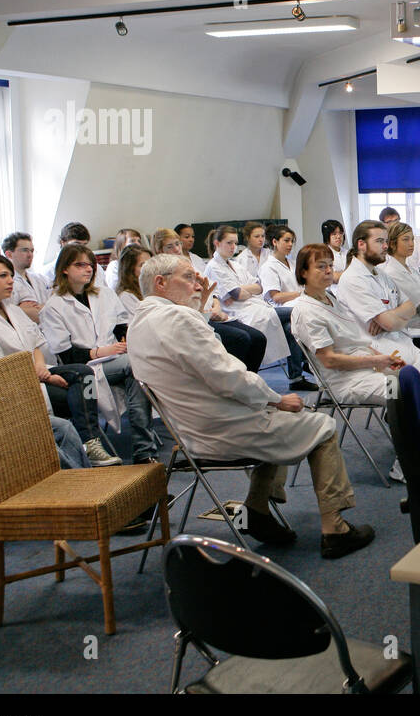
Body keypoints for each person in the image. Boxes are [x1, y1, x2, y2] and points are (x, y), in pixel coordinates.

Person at [129, 253, 374, 558]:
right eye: (189, 277)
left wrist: (199, 310)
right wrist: (276, 398)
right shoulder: (176, 319)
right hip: (222, 429)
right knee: (322, 426)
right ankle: (335, 529)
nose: (198, 283)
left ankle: (257, 509)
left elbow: (193, 355)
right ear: (160, 283)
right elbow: (227, 376)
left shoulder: (140, 322)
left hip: (192, 430)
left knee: (283, 421)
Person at [291, 243, 420, 484]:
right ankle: (407, 466)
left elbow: (356, 340)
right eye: (320, 267)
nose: (328, 271)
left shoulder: (331, 298)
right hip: (346, 381)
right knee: (409, 390)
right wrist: (377, 360)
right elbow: (330, 360)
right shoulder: (306, 311)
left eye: (331, 266)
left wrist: (383, 361)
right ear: (303, 272)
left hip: (368, 368)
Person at [0, 254, 110, 468]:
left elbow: (35, 343)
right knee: (80, 398)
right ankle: (88, 446)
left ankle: (91, 441)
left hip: (37, 372)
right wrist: (43, 376)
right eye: (2, 276)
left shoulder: (13, 310)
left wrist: (40, 368)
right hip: (10, 388)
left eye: (10, 275)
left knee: (85, 374)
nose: (11, 281)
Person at [334, 220, 420, 433]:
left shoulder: (379, 274)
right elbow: (403, 313)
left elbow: (409, 307)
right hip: (379, 353)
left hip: (400, 338)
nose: (385, 246)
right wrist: (397, 314)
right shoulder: (354, 279)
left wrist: (394, 315)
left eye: (386, 241)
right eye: (380, 241)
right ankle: (409, 426)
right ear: (361, 245)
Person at [38, 243, 161, 463]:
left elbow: (122, 325)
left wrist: (125, 339)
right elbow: (65, 355)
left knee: (138, 371)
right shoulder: (54, 306)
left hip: (114, 359)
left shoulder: (104, 295)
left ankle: (144, 451)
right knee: (134, 366)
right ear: (64, 269)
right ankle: (144, 446)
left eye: (90, 265)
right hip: (86, 367)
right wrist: (99, 352)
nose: (88, 269)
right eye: (80, 265)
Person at [155, 228, 267, 372]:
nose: (177, 249)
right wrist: (206, 311)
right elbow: (185, 302)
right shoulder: (165, 274)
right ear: (159, 250)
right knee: (241, 338)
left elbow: (212, 291)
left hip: (213, 313)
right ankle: (234, 383)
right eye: (170, 247)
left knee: (258, 338)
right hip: (198, 318)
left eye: (177, 244)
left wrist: (216, 307)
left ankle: (250, 381)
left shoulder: (188, 264)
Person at [203, 224, 291, 371]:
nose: (233, 247)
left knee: (290, 327)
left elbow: (259, 286)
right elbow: (238, 294)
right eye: (229, 243)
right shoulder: (214, 266)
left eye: (235, 243)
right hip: (239, 312)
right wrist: (241, 291)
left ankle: (297, 374)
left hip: (255, 306)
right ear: (217, 243)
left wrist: (241, 290)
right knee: (294, 312)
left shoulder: (234, 264)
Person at [257, 225, 316, 391]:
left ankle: (303, 368)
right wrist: (300, 293)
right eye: (286, 240)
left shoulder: (292, 262)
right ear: (275, 242)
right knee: (293, 326)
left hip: (296, 307)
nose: (290, 244)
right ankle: (300, 370)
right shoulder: (269, 267)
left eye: (292, 241)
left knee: (295, 326)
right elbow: (275, 297)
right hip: (278, 312)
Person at [37, 222, 108, 288]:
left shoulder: (96, 269)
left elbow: (105, 294)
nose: (81, 249)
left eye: (85, 245)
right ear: (63, 243)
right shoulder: (47, 272)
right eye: (77, 244)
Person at [2, 231, 49, 323]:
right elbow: (10, 314)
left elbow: (56, 303)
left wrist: (39, 308)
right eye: (25, 250)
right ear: (9, 254)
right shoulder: (7, 283)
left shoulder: (40, 278)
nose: (30, 255)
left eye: (32, 251)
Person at [379, 206, 420, 275]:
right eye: (389, 222)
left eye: (396, 220)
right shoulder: (380, 244)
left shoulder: (418, 241)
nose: (394, 224)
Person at [115, 244, 152, 321]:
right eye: (143, 265)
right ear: (130, 269)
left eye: (150, 263)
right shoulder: (126, 297)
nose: (150, 268)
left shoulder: (149, 289)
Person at [103, 228, 142, 294]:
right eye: (132, 241)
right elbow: (115, 290)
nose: (137, 244)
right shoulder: (114, 266)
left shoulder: (139, 264)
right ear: (121, 245)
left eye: (139, 241)